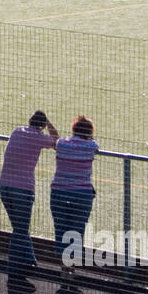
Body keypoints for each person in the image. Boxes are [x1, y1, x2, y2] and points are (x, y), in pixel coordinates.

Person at [0, 111, 59, 277]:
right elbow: (56, 141)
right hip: (22, 188)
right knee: (20, 229)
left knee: (20, 228)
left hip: (4, 185)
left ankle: (30, 259)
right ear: (42, 126)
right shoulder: (39, 138)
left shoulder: (17, 131)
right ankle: (14, 268)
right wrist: (49, 124)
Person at [50, 115, 99, 271]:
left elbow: (55, 139)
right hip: (82, 194)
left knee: (60, 227)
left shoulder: (63, 144)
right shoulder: (91, 146)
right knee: (77, 228)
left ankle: (63, 262)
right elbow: (95, 146)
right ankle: (71, 263)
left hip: (60, 191)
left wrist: (49, 125)